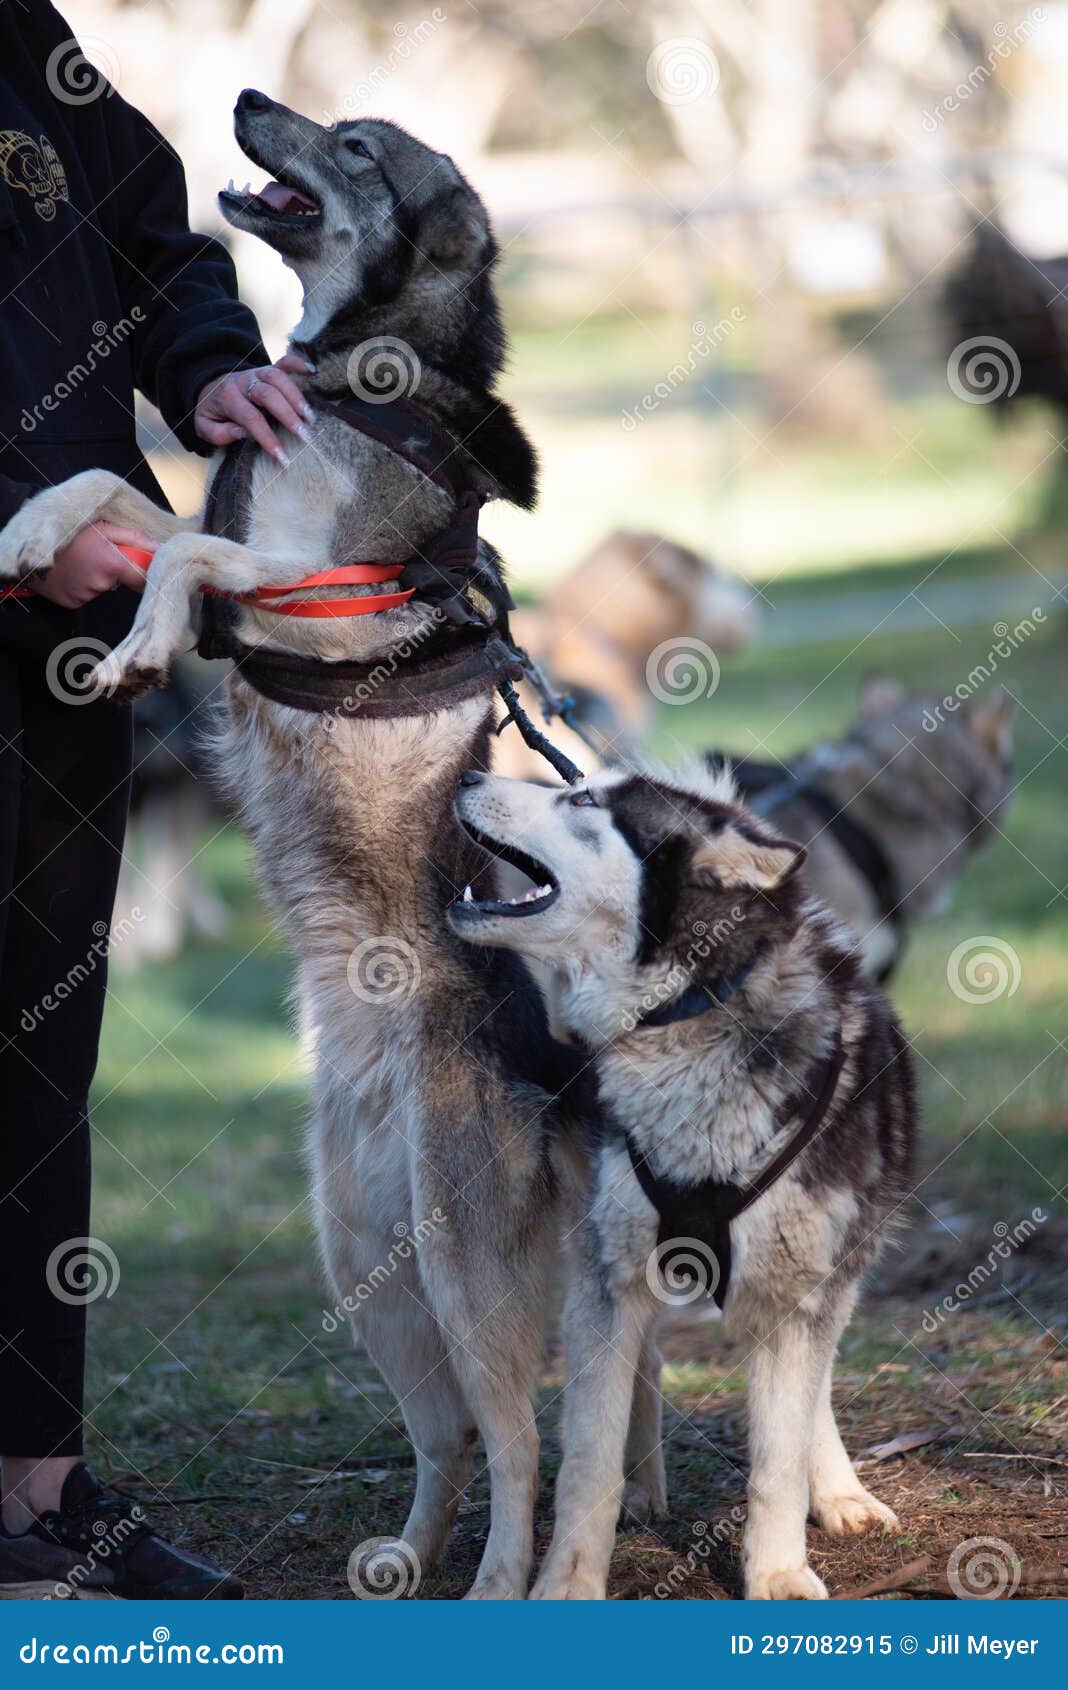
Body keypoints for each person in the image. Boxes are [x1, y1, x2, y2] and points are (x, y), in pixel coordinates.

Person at [0, 1, 308, 1598]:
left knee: (38, 1061)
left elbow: (150, 229)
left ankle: (35, 1493)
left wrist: (207, 373)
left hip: (61, 661)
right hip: (32, 562)